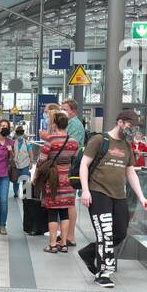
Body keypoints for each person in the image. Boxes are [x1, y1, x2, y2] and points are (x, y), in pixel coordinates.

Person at [77, 108, 147, 289]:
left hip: (119, 195)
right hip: (98, 192)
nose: (133, 129)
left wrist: (141, 197)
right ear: (120, 122)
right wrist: (85, 190)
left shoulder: (126, 146)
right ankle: (103, 273)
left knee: (120, 232)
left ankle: (88, 253)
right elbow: (84, 164)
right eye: (130, 125)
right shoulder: (99, 140)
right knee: (105, 233)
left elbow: (130, 171)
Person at [36, 112, 78, 253]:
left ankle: (53, 244)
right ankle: (64, 243)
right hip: (67, 180)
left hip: (52, 179)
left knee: (52, 212)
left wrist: (36, 174)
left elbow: (42, 159)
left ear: (54, 124)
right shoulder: (73, 141)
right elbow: (75, 160)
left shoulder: (51, 140)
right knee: (64, 211)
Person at [61, 98, 86, 247]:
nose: (62, 111)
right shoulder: (68, 124)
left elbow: (72, 147)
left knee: (70, 203)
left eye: (65, 109)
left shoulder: (75, 125)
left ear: (73, 111)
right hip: (66, 166)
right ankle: (65, 234)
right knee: (65, 202)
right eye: (61, 108)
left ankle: (70, 236)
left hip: (71, 168)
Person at [12, 124, 33, 196]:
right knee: (15, 180)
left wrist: (31, 162)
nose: (19, 135)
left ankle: (27, 194)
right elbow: (12, 153)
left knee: (25, 178)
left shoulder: (27, 143)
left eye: (21, 134)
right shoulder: (14, 143)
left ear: (23, 134)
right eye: (18, 134)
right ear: (16, 134)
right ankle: (16, 193)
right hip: (16, 164)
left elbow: (31, 153)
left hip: (25, 164)